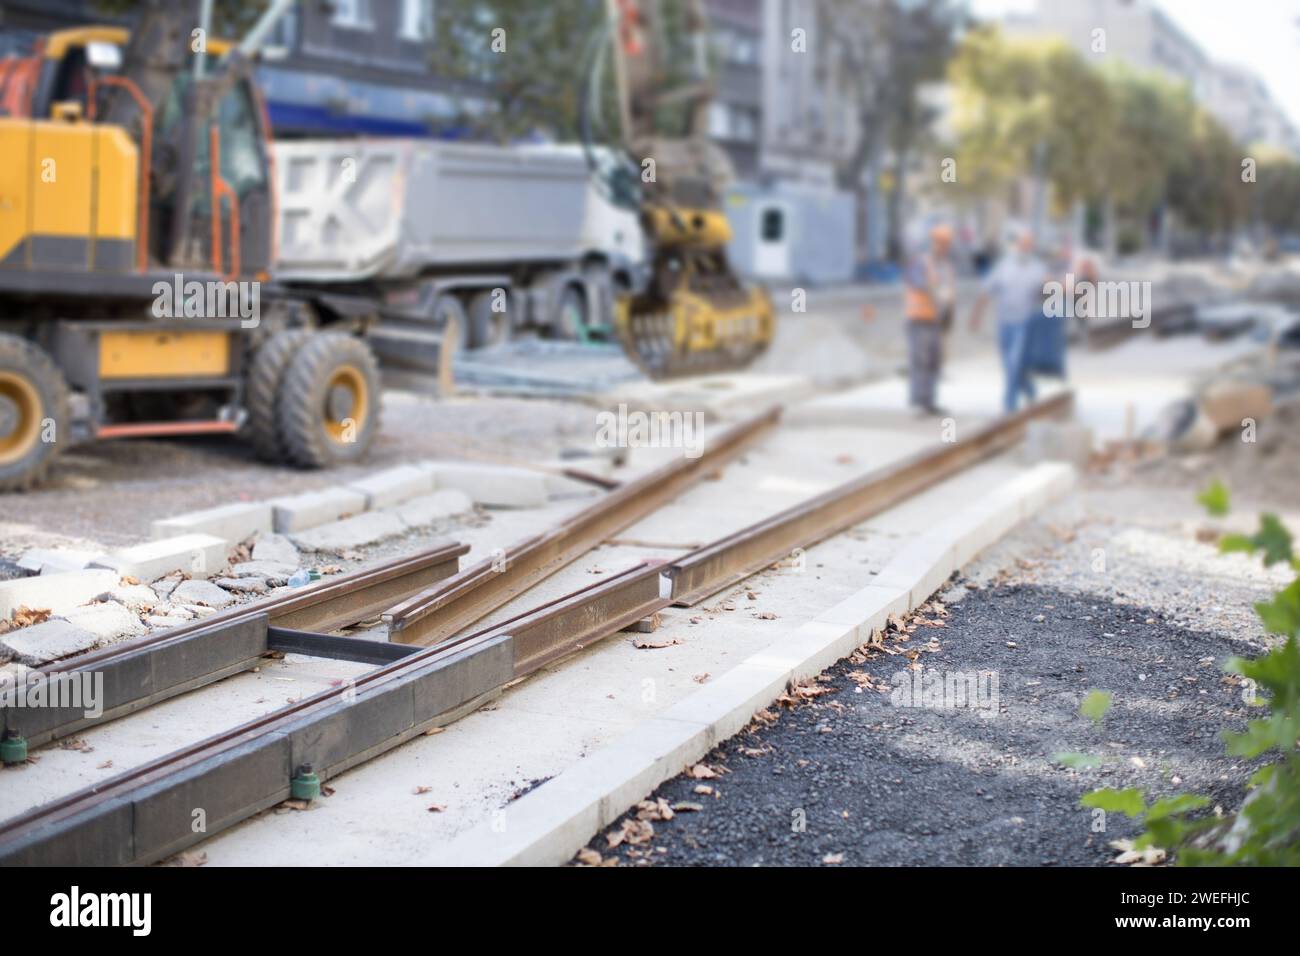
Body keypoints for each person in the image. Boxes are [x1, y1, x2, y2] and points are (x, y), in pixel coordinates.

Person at [969, 230, 1052, 413]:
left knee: (1015, 362)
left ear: (1032, 247)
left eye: (1028, 244)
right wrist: (976, 317)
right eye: (1023, 244)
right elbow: (986, 291)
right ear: (1017, 245)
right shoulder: (1004, 267)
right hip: (1004, 323)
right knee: (1009, 365)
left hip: (1025, 323)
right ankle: (1030, 390)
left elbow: (1048, 292)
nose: (1025, 247)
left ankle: (1009, 407)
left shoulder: (1038, 269)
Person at [903, 224, 956, 416]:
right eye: (941, 243)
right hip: (919, 319)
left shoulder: (946, 266)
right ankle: (920, 402)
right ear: (934, 243)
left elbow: (949, 294)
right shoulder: (921, 262)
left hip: (936, 321)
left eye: (947, 243)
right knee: (921, 361)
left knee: (935, 361)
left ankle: (930, 401)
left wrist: (948, 319)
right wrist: (933, 288)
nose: (944, 247)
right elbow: (916, 281)